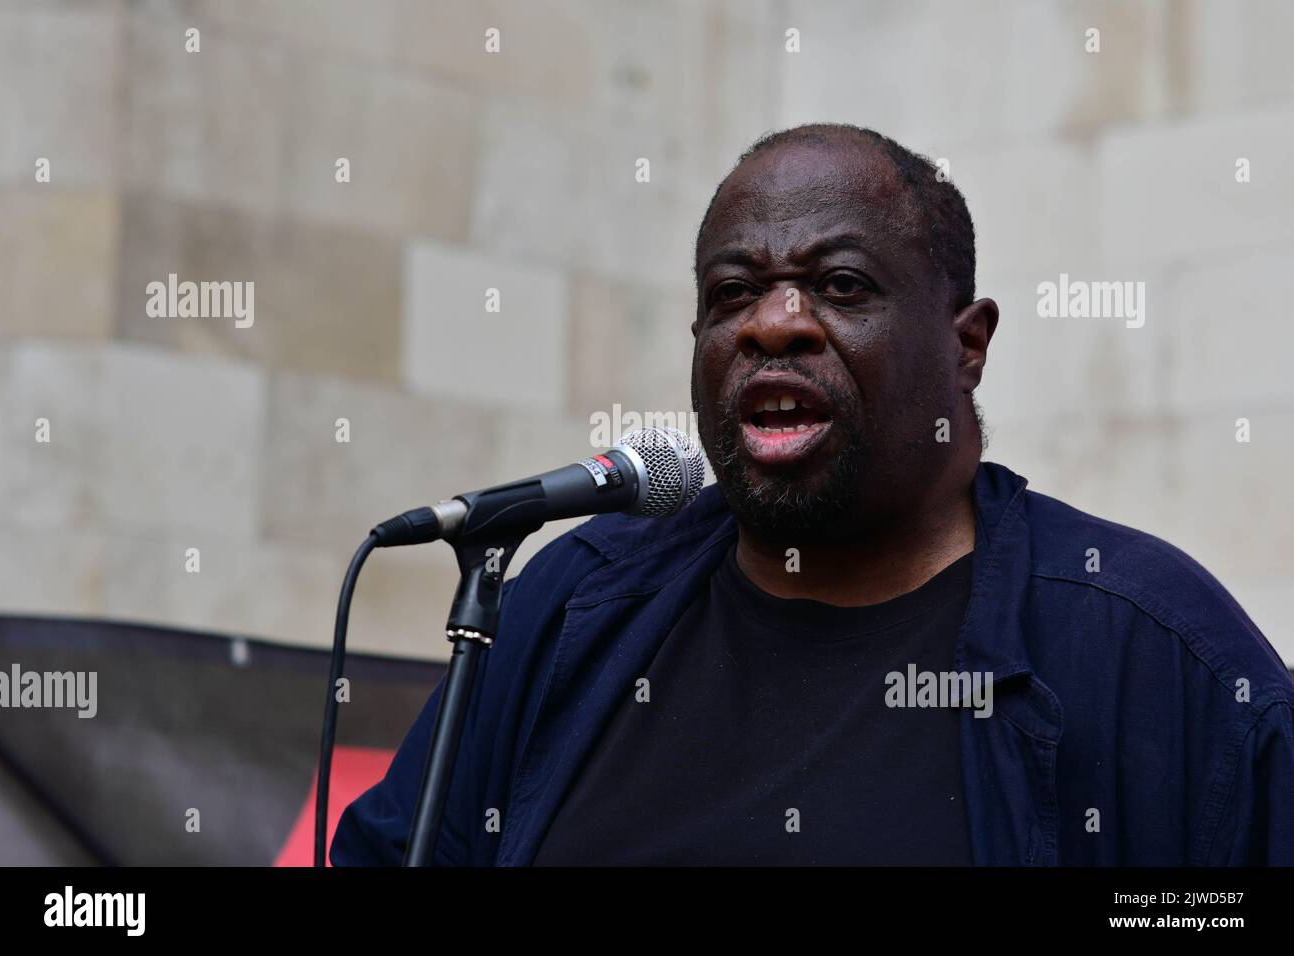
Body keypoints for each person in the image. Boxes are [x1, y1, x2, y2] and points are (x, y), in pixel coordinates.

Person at [332, 123, 1294, 866]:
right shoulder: (568, 604)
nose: (774, 323)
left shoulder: (1153, 654)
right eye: (732, 293)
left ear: (967, 345)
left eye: (839, 285)